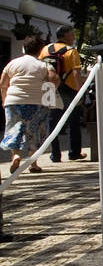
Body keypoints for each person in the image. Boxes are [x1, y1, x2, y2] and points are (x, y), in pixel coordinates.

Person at [2, 34, 59, 174]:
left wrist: (4, 100)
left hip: (14, 100)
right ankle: (33, 163)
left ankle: (15, 155)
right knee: (36, 130)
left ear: (24, 48)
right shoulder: (44, 64)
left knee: (14, 129)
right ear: (40, 50)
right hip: (37, 101)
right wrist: (49, 92)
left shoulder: (12, 63)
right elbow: (54, 79)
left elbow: (3, 83)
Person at [40, 25, 86, 157]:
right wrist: (79, 92)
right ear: (65, 35)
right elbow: (76, 73)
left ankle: (55, 154)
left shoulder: (45, 50)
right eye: (72, 34)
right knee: (73, 121)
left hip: (50, 88)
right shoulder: (71, 51)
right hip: (69, 89)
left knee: (52, 122)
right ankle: (74, 153)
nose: (74, 37)